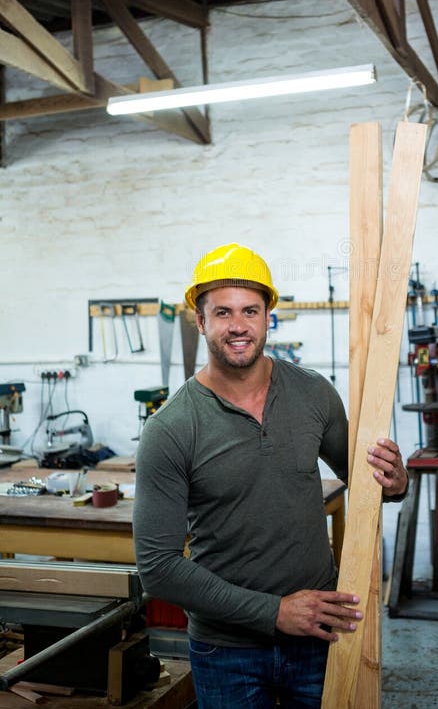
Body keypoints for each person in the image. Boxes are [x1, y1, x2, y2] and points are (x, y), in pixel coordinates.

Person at [133, 243, 408, 708]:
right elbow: (157, 568)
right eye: (222, 312)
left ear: (267, 317)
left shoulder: (314, 393)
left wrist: (397, 482)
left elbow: (367, 485)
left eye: (250, 311)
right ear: (200, 320)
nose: (238, 325)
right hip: (227, 651)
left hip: (320, 631)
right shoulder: (171, 427)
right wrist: (275, 612)